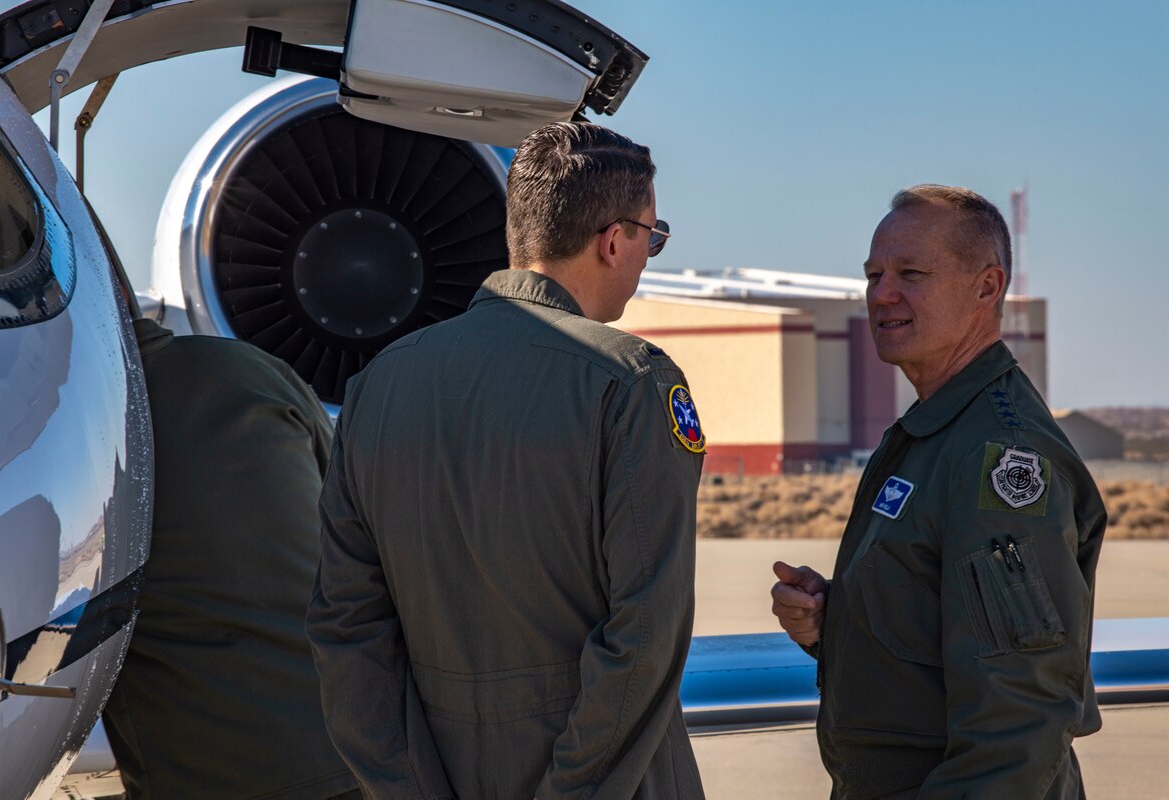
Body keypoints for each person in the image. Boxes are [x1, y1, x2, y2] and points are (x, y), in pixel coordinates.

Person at [307, 121, 707, 800]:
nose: (647, 259)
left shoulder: (379, 385)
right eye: (652, 236)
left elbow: (348, 630)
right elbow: (645, 635)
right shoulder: (632, 382)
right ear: (614, 241)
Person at [771, 185, 1106, 799]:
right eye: (874, 274)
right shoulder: (935, 433)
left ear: (986, 287)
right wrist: (838, 620)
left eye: (911, 273)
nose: (883, 294)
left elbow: (1020, 719)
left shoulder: (997, 457)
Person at [101, 316, 359, 800]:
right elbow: (350, 525)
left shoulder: (59, 423)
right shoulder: (251, 370)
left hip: (214, 776)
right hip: (359, 753)